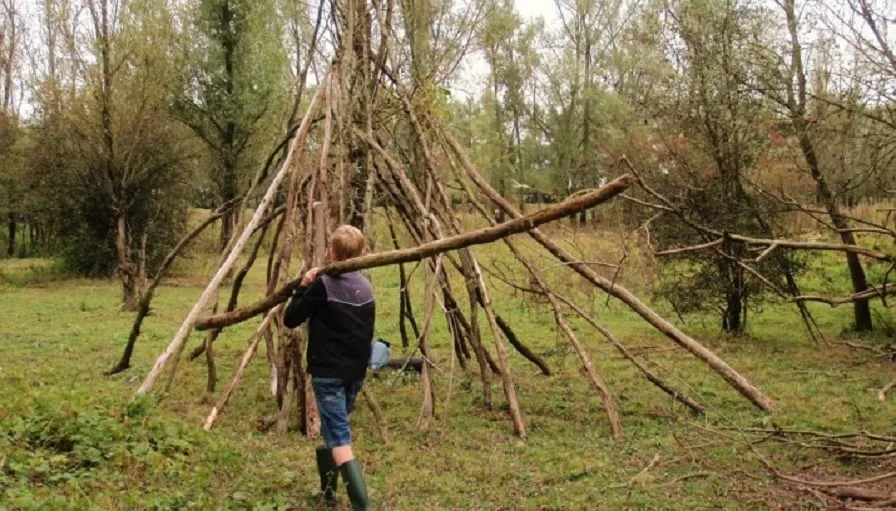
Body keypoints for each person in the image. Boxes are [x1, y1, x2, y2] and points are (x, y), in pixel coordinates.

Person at [283, 225, 374, 511]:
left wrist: (302, 286)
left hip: (329, 375)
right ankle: (329, 493)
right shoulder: (365, 285)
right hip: (355, 373)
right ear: (361, 254)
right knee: (333, 430)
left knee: (340, 439)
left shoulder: (324, 285)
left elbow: (291, 318)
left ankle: (363, 507)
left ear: (332, 253)